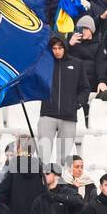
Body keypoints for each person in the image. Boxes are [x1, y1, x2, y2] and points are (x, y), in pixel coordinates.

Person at [37, 37, 90, 167]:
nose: (57, 51)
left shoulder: (77, 64)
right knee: (43, 156)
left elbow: (85, 88)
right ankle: (42, 184)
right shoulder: (44, 64)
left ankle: (60, 185)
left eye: (60, 48)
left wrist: (77, 104)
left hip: (69, 116)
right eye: (54, 48)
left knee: (63, 158)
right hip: (47, 114)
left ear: (65, 48)